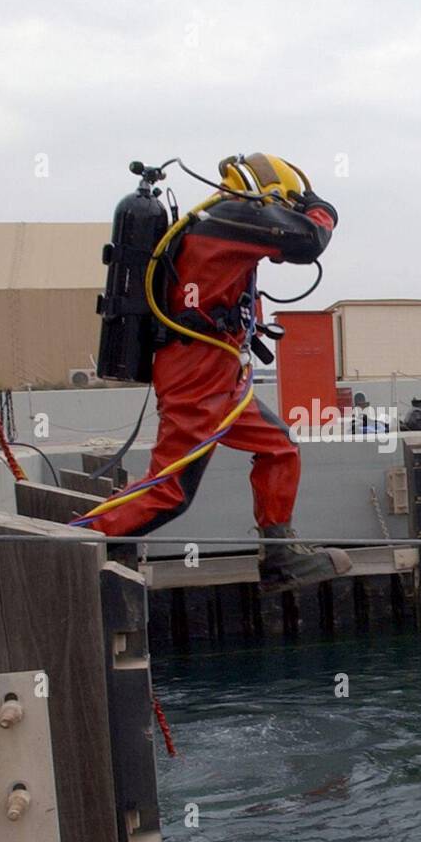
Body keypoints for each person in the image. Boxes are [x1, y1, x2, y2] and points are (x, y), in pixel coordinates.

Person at [88, 154, 352, 592]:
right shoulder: (231, 217)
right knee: (170, 491)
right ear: (269, 196)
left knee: (279, 448)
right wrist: (319, 208)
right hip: (197, 373)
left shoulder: (215, 221)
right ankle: (73, 541)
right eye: (283, 205)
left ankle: (280, 556)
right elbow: (308, 241)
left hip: (218, 372)